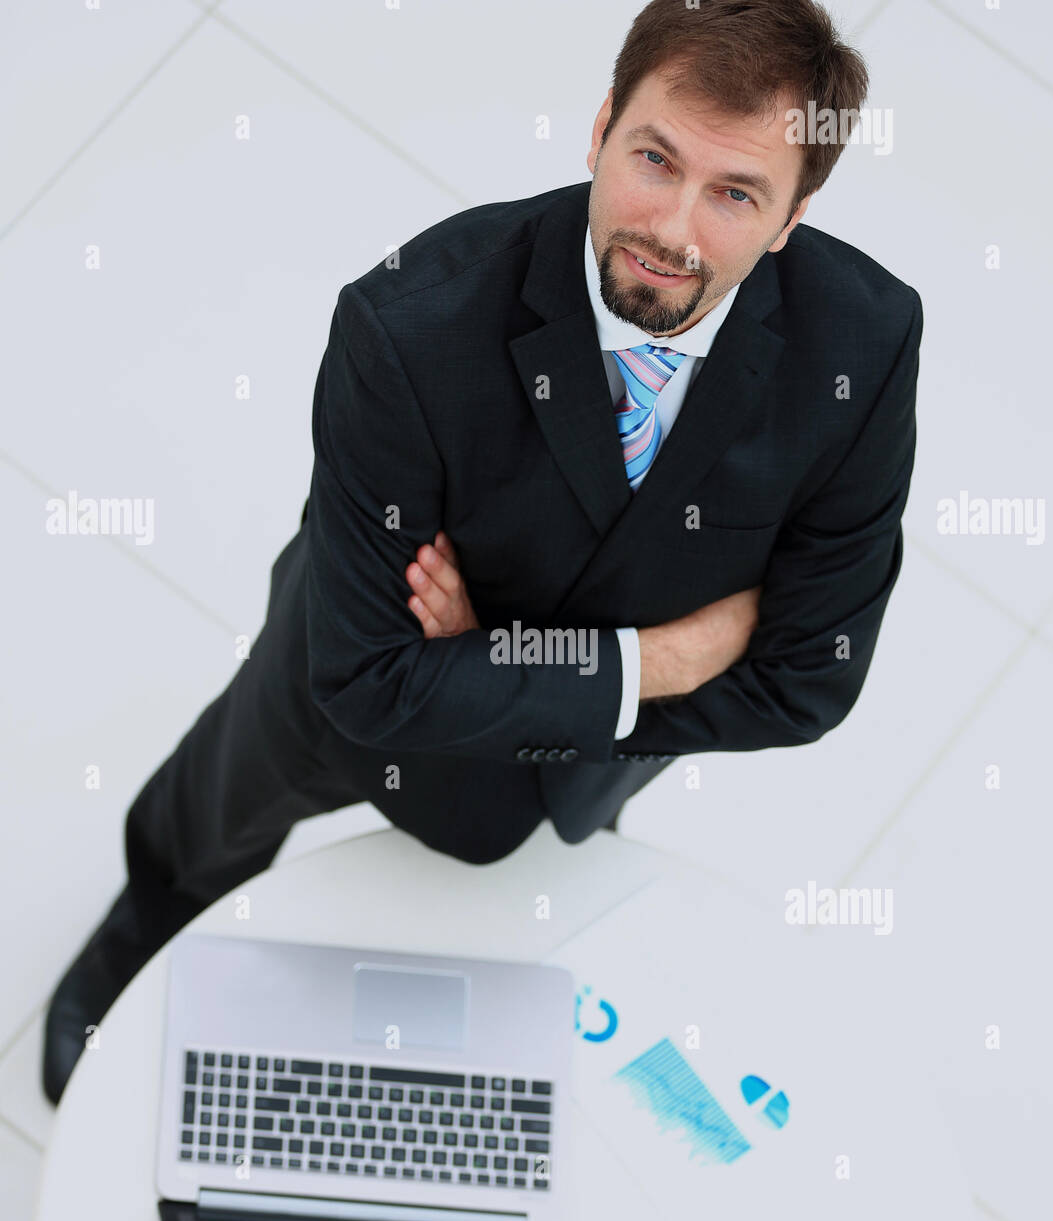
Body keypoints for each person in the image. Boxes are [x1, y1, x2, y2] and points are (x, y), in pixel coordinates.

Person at [42, 0, 922, 1104]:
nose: (675, 232)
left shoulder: (865, 346)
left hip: (580, 762)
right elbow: (368, 676)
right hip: (343, 703)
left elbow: (806, 683)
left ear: (793, 218)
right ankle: (142, 927)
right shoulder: (408, 326)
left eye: (736, 193)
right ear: (601, 124)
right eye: (654, 158)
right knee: (214, 813)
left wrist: (490, 664)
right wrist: (654, 662)